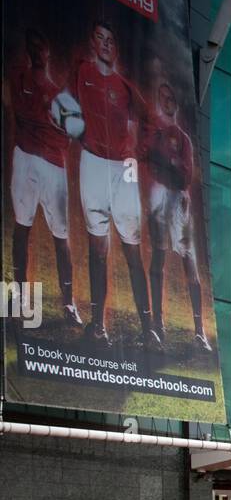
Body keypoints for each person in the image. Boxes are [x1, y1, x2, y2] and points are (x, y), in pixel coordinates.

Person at [71, 20, 160, 349]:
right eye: (100, 37)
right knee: (97, 247)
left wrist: (138, 151)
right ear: (92, 42)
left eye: (111, 39)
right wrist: (75, 130)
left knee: (132, 249)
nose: (105, 43)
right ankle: (98, 326)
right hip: (92, 163)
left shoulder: (124, 86)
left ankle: (148, 327)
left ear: (116, 47)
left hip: (123, 169)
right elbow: (65, 103)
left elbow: (148, 120)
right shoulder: (81, 71)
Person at [8, 28, 82, 328]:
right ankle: (17, 298)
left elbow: (72, 135)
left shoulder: (59, 96)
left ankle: (68, 303)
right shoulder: (19, 78)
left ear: (48, 53)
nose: (38, 53)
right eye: (33, 47)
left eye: (42, 48)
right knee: (21, 226)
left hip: (53, 166)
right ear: (29, 50)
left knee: (60, 235)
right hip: (25, 157)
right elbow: (20, 114)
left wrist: (54, 128)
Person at [143, 81, 211, 351]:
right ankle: (157, 326)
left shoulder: (182, 138)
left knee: (189, 263)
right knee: (157, 257)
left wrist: (167, 163)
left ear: (176, 103)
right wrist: (163, 164)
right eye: (162, 97)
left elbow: (184, 175)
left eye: (170, 97)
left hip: (179, 200)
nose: (166, 101)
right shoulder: (154, 132)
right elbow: (147, 157)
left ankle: (200, 331)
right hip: (159, 196)